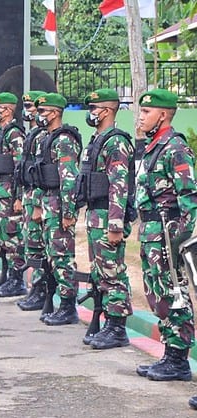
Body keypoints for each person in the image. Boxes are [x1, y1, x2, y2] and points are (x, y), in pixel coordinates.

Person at [133, 88, 197, 388]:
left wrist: (176, 240)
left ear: (163, 114)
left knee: (175, 294)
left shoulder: (175, 148)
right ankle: (169, 354)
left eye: (146, 112)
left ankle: (178, 359)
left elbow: (189, 199)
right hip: (150, 233)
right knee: (157, 294)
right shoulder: (152, 147)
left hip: (166, 235)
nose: (141, 117)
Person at [76, 88, 134, 349]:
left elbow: (119, 185)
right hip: (95, 215)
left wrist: (115, 224)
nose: (91, 113)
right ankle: (108, 321)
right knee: (100, 272)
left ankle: (117, 328)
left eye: (94, 108)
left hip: (107, 218)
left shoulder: (116, 142)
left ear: (107, 110)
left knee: (113, 273)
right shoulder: (97, 139)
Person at [33, 93, 82, 326]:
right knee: (53, 256)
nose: (38, 116)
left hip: (58, 206)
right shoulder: (47, 138)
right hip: (48, 203)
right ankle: (59, 302)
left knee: (63, 257)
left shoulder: (64, 140)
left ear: (54, 113)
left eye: (42, 112)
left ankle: (68, 306)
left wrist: (68, 213)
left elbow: (68, 179)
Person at [0, 92, 26, 296]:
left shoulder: (14, 134)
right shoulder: (0, 133)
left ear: (8, 110)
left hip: (10, 192)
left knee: (12, 236)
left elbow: (20, 167)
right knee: (2, 235)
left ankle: (17, 279)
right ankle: (8, 275)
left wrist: (19, 196)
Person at [16, 91, 49, 311]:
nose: (27, 111)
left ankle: (42, 290)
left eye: (31, 107)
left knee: (40, 246)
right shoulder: (33, 134)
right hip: (28, 195)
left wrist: (37, 203)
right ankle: (36, 290)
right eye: (26, 106)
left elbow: (41, 174)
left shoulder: (44, 137)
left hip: (40, 199)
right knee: (32, 244)